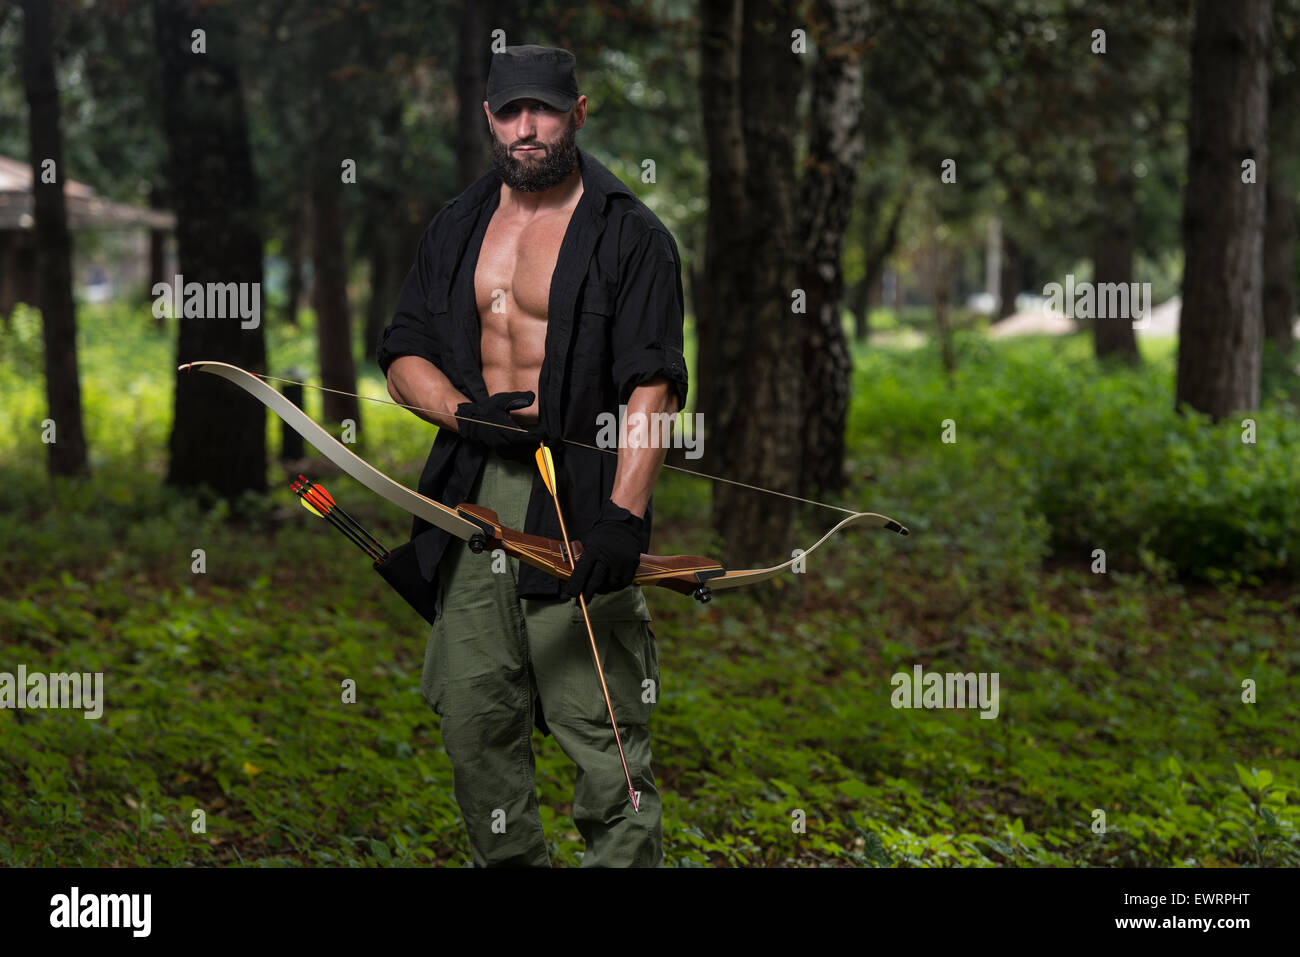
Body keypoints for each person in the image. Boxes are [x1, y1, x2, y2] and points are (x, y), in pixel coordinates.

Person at [377, 44, 687, 867]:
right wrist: (465, 415)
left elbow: (650, 388)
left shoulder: (633, 236)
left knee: (606, 742)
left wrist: (622, 519)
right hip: (473, 505)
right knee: (473, 725)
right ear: (489, 117)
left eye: (545, 110)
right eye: (511, 111)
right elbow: (404, 351)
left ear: (577, 113)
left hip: (580, 511)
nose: (528, 127)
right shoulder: (456, 226)